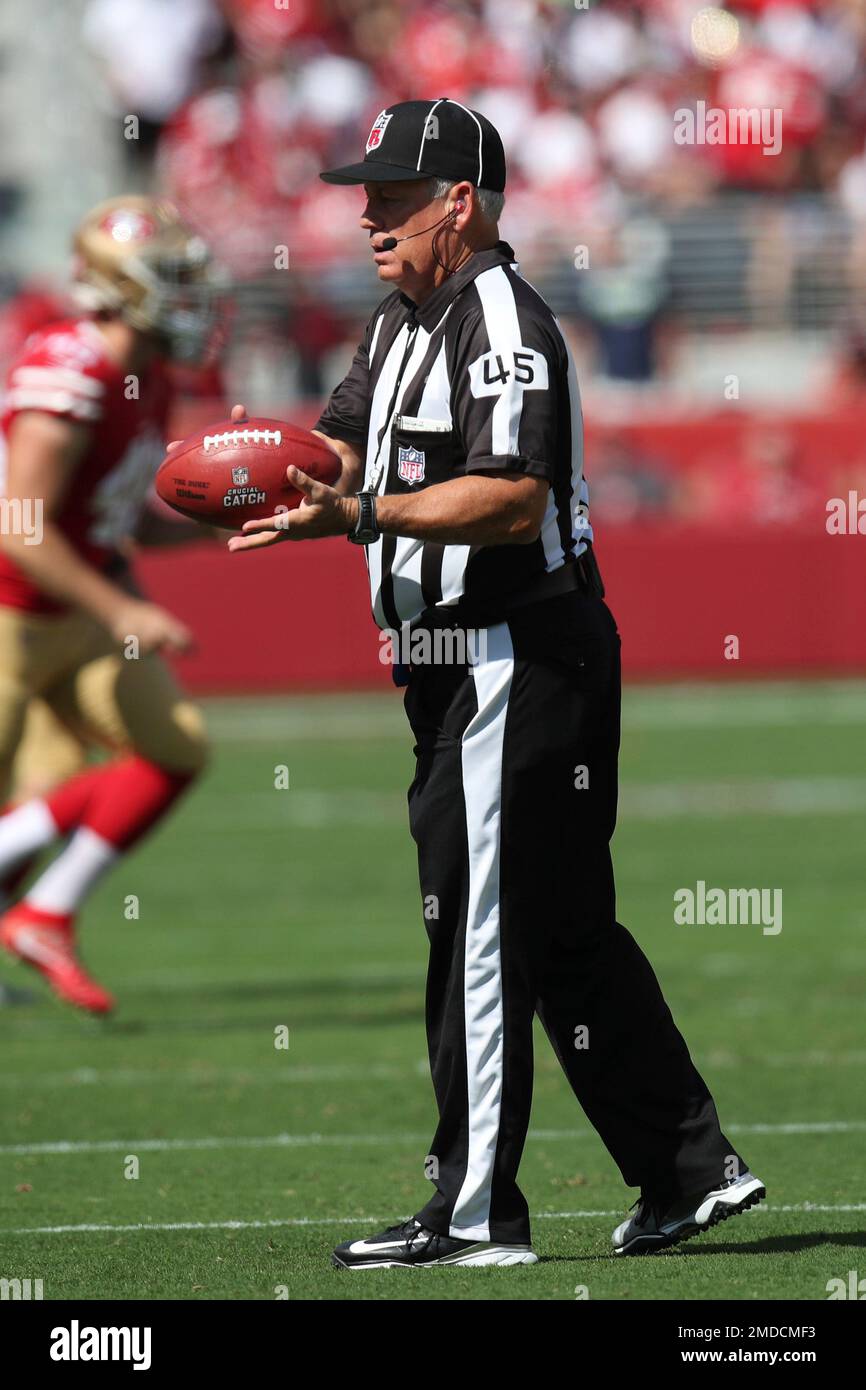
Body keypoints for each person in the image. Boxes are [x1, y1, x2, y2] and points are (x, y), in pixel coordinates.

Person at [226, 99, 766, 1265]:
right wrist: (260, 477)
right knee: (564, 931)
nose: (365, 217)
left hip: (511, 658)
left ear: (457, 202)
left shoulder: (498, 319)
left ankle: (471, 1210)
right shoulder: (397, 321)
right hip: (462, 669)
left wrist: (357, 513)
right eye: (362, 196)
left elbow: (511, 496)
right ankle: (684, 1171)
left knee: (477, 934)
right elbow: (337, 447)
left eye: (389, 197)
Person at [0, 196, 220, 1014]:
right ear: (121, 285)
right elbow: (20, 527)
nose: (192, 299)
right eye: (174, 280)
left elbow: (112, 519)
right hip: (10, 615)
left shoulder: (148, 373)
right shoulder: (73, 364)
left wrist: (214, 523)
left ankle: (46, 912)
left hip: (71, 612)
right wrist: (123, 610)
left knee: (175, 748)